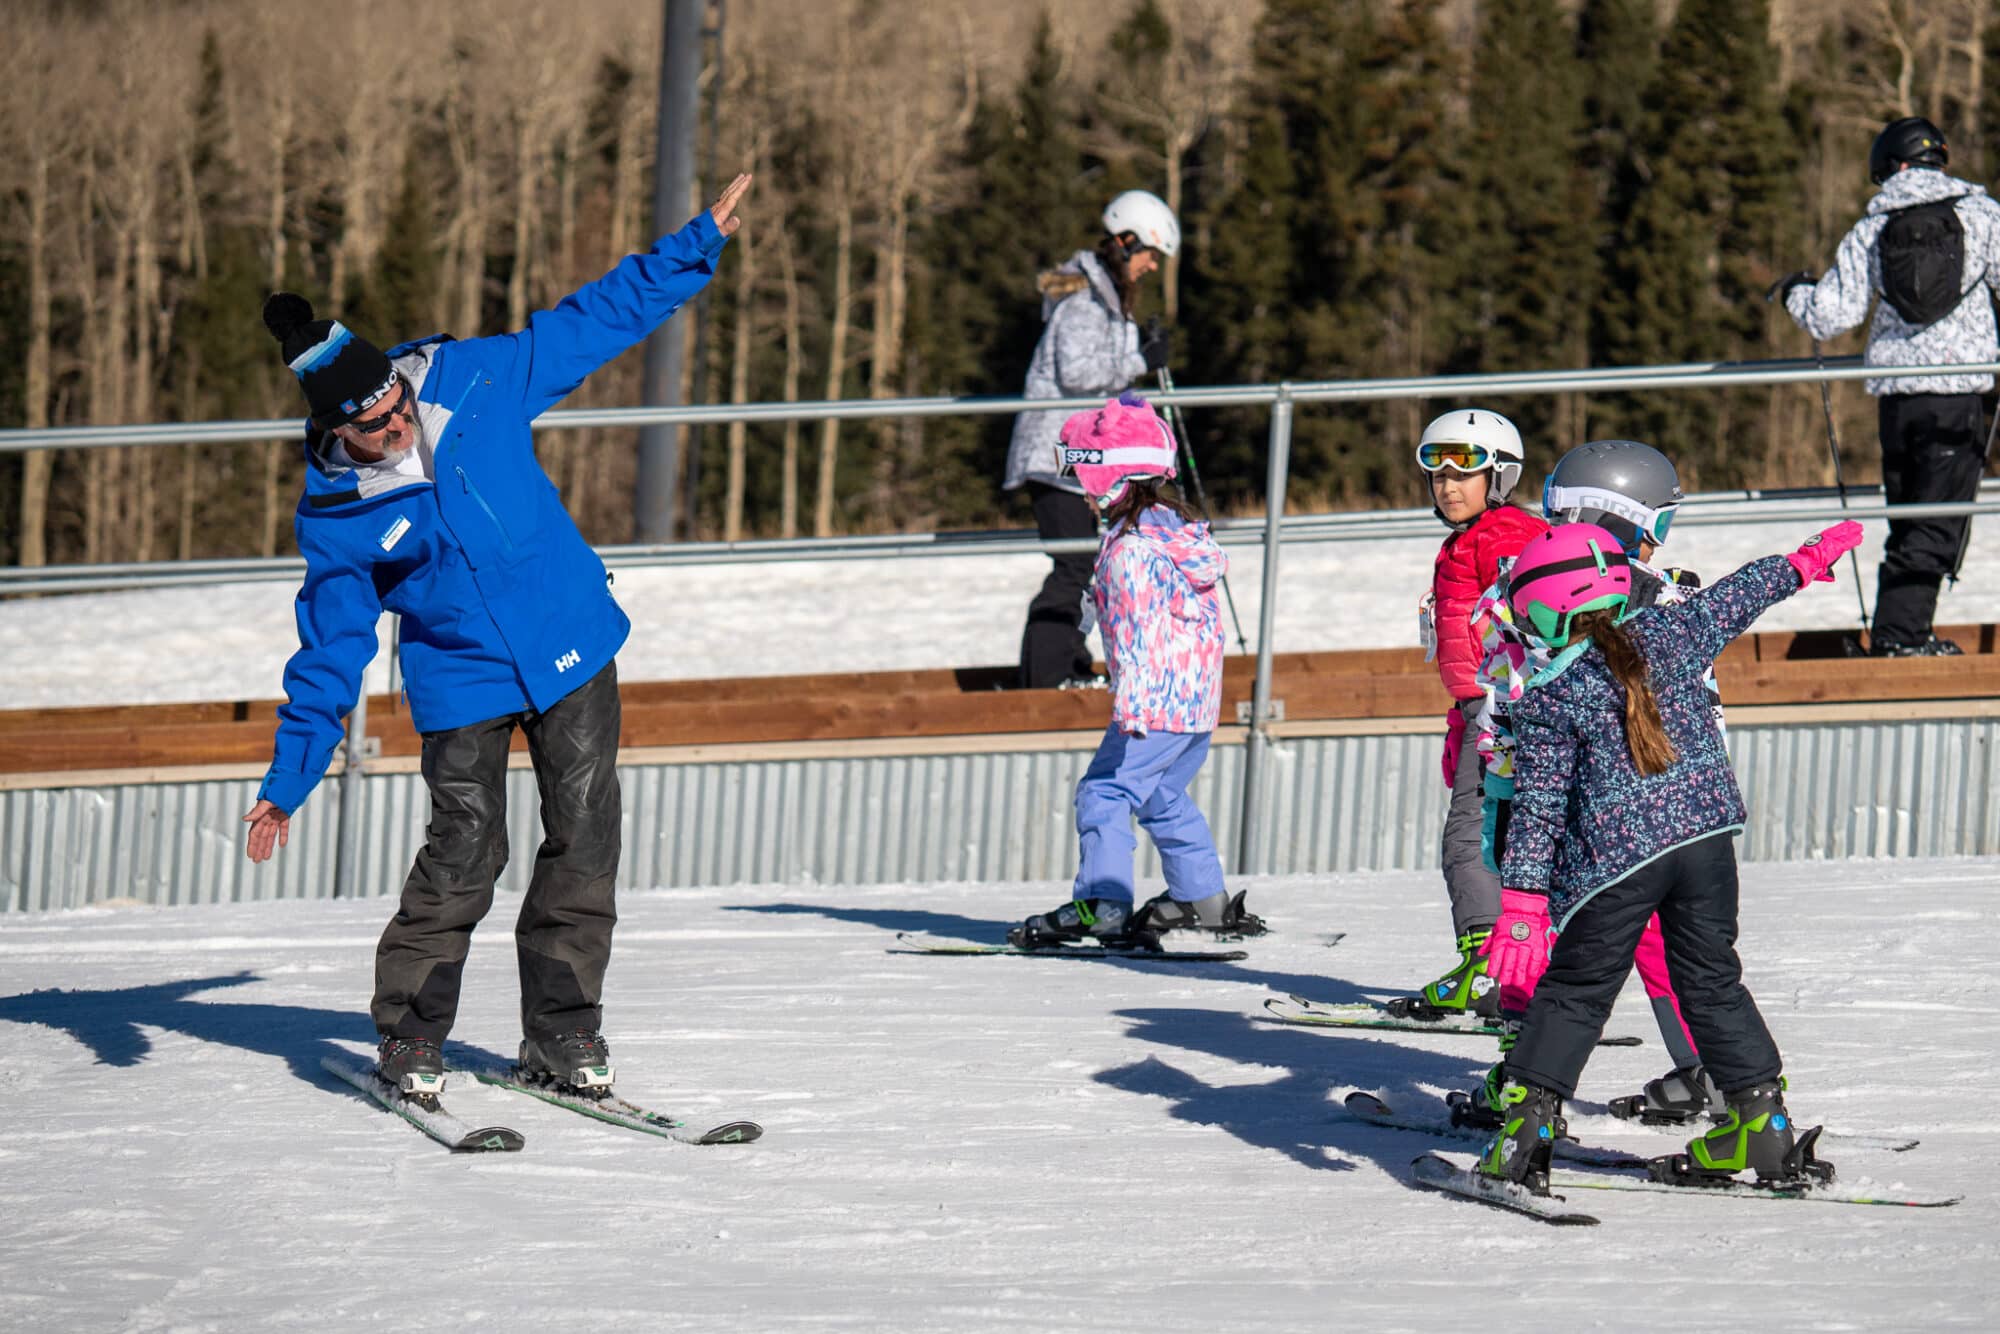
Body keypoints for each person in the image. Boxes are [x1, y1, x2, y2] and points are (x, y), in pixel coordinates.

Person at [241, 174, 754, 1100]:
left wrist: (693, 246)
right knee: (466, 848)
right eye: (373, 428)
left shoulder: (475, 380)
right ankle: (409, 1037)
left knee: (585, 835)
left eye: (397, 407)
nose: (396, 429)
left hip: (571, 641)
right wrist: (289, 779)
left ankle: (563, 1034)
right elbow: (329, 651)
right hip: (460, 678)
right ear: (335, 430)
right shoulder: (338, 519)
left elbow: (593, 321)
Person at [1474, 518, 1864, 1194]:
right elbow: (1741, 593)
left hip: (1617, 865)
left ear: (1541, 613)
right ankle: (1763, 1125)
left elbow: (1539, 811)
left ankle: (1525, 1136)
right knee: (1712, 980)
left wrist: (1523, 903)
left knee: (1576, 992)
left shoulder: (1546, 700)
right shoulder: (1674, 631)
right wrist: (1803, 561)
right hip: (1706, 846)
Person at [1457, 440, 1724, 1129]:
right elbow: (1703, 706)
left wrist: (1498, 795)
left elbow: (1499, 703)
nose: (1658, 544)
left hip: (1547, 806)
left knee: (1540, 940)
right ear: (1624, 521)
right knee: (1664, 943)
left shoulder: (1514, 591)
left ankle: (1524, 1081)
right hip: (1657, 808)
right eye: (1657, 525)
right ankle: (1708, 1071)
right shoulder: (1666, 598)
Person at [1010, 393, 1252, 947]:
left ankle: (1103, 904)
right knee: (1162, 794)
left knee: (1104, 793)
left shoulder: (1130, 553)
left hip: (1153, 704)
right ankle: (1202, 899)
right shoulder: (1172, 533)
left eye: (1082, 478)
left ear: (1108, 479)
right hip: (1194, 703)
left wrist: (1133, 706)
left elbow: (1140, 634)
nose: (1081, 492)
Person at [1776, 116, 2000, 657]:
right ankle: (1902, 637)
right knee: (1938, 517)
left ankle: (1899, 633)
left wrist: (1794, 291)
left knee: (1907, 516)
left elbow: (1830, 315)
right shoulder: (1984, 215)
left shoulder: (1872, 227)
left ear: (1890, 167)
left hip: (1897, 396)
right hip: (1959, 390)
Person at [1399, 409, 1544, 1019]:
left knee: (1471, 841)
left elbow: (1525, 627)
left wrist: (1492, 713)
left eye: (1465, 473)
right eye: (1438, 475)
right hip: (1485, 709)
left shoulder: (1503, 537)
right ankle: (1515, 972)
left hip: (1505, 713)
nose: (1449, 486)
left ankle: (1488, 971)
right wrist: (1464, 716)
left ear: (1500, 477)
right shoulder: (1472, 538)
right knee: (1502, 843)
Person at [1004, 190, 1180, 689]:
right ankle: (1046, 678)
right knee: (1075, 565)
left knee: (1087, 564)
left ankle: (1068, 668)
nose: (1151, 266)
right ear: (1125, 242)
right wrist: (1140, 360)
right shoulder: (1083, 301)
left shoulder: (1104, 298)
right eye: (1149, 253)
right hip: (1055, 456)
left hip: (1077, 459)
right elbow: (1078, 372)